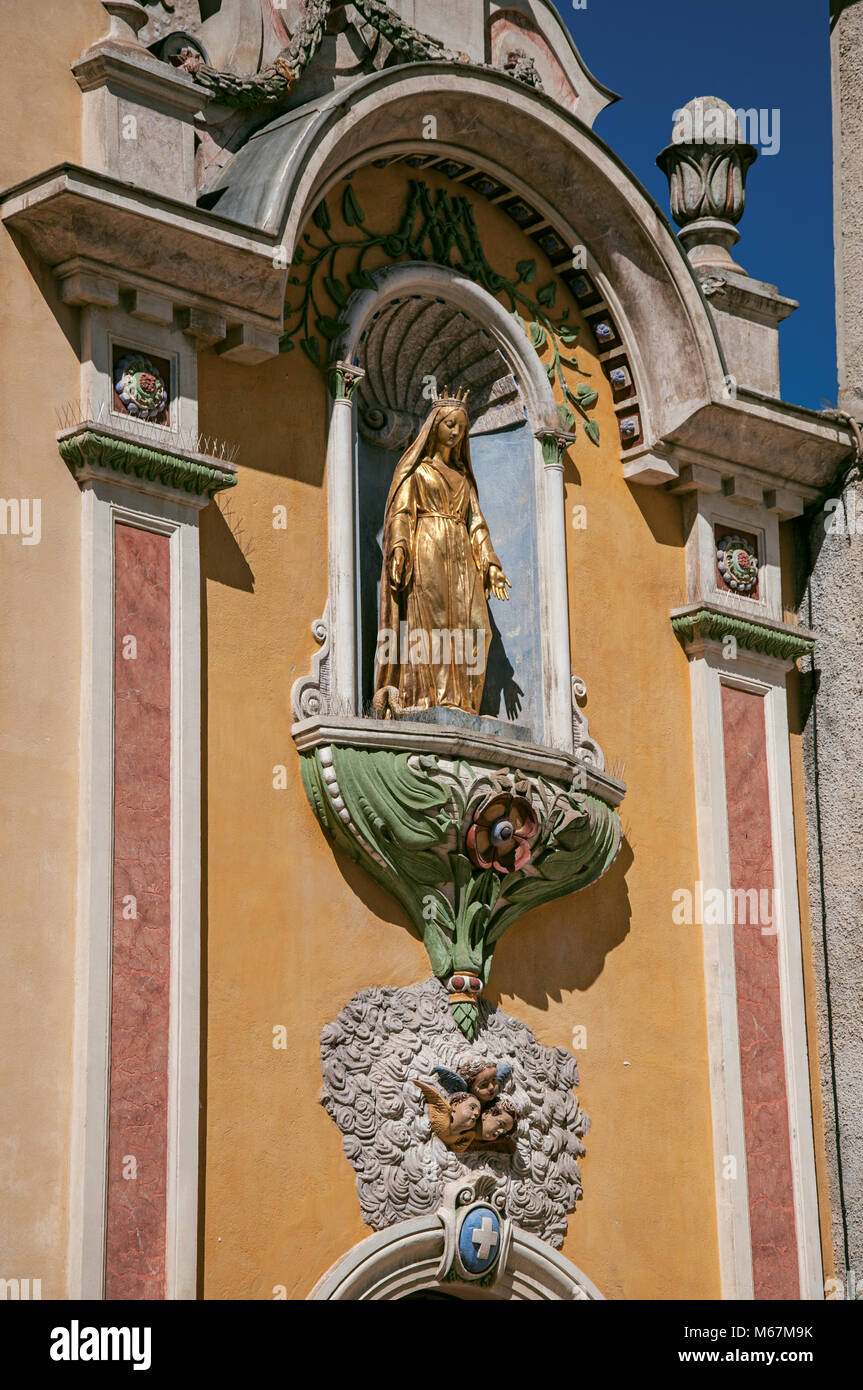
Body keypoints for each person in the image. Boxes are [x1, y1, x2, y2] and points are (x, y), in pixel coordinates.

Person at [374, 390, 511, 714]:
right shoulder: (418, 471)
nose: (455, 432)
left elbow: (477, 523)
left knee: (479, 628)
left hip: (463, 555)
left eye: (461, 428)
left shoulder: (463, 478)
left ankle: (464, 701)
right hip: (427, 549)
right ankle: (424, 699)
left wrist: (491, 565)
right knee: (432, 625)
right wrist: (398, 547)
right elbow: (402, 513)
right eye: (450, 424)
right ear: (435, 426)